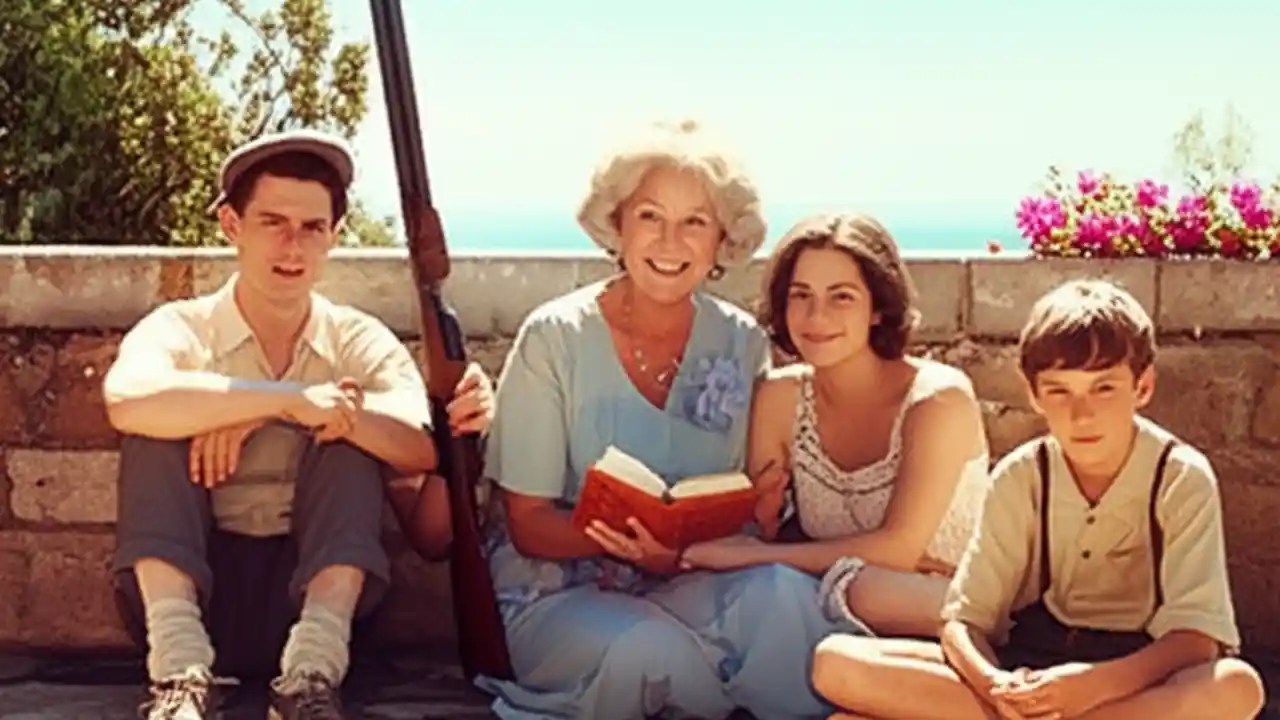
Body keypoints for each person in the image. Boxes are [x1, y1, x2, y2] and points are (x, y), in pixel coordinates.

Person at [102, 129, 492, 720]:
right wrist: (283, 401)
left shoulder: (355, 338)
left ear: (334, 235)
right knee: (156, 437)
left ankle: (309, 679)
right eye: (272, 222)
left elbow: (418, 447)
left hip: (316, 603)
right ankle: (179, 682)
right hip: (193, 596)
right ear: (231, 225)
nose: (293, 246)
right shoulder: (181, 327)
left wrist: (328, 413)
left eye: (312, 227)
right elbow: (129, 399)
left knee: (352, 433)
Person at [473, 119, 856, 720]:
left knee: (786, 600)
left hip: (692, 578)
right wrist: (639, 550)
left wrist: (756, 508)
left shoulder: (743, 342)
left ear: (722, 241)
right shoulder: (553, 337)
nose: (670, 242)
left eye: (695, 223)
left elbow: (746, 515)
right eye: (650, 216)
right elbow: (528, 525)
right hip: (560, 592)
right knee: (652, 654)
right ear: (617, 224)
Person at [810, 279, 1266, 720]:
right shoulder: (1021, 476)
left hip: (1135, 676)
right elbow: (962, 621)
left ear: (1142, 387)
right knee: (837, 662)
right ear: (1033, 394)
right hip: (1028, 671)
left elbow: (1198, 640)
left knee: (1235, 687)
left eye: (1104, 388)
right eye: (1059, 391)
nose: (1081, 413)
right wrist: (994, 686)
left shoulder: (1179, 476)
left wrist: (1091, 687)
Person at [679, 213, 991, 639]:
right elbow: (762, 533)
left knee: (862, 589)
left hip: (948, 608)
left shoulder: (938, 398)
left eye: (841, 297)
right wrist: (762, 521)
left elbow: (897, 551)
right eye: (800, 295)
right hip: (835, 611)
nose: (816, 316)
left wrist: (746, 556)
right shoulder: (779, 397)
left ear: (878, 307)